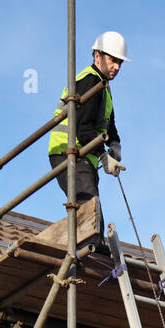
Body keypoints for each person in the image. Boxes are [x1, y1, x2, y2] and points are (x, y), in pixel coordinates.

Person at [47, 32, 128, 239]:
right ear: (97, 56)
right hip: (70, 151)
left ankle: (94, 251)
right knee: (88, 205)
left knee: (92, 207)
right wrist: (103, 156)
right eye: (113, 60)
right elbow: (83, 128)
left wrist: (115, 145)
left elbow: (108, 124)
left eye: (120, 62)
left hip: (83, 154)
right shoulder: (90, 81)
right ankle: (91, 252)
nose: (117, 67)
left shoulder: (102, 87)